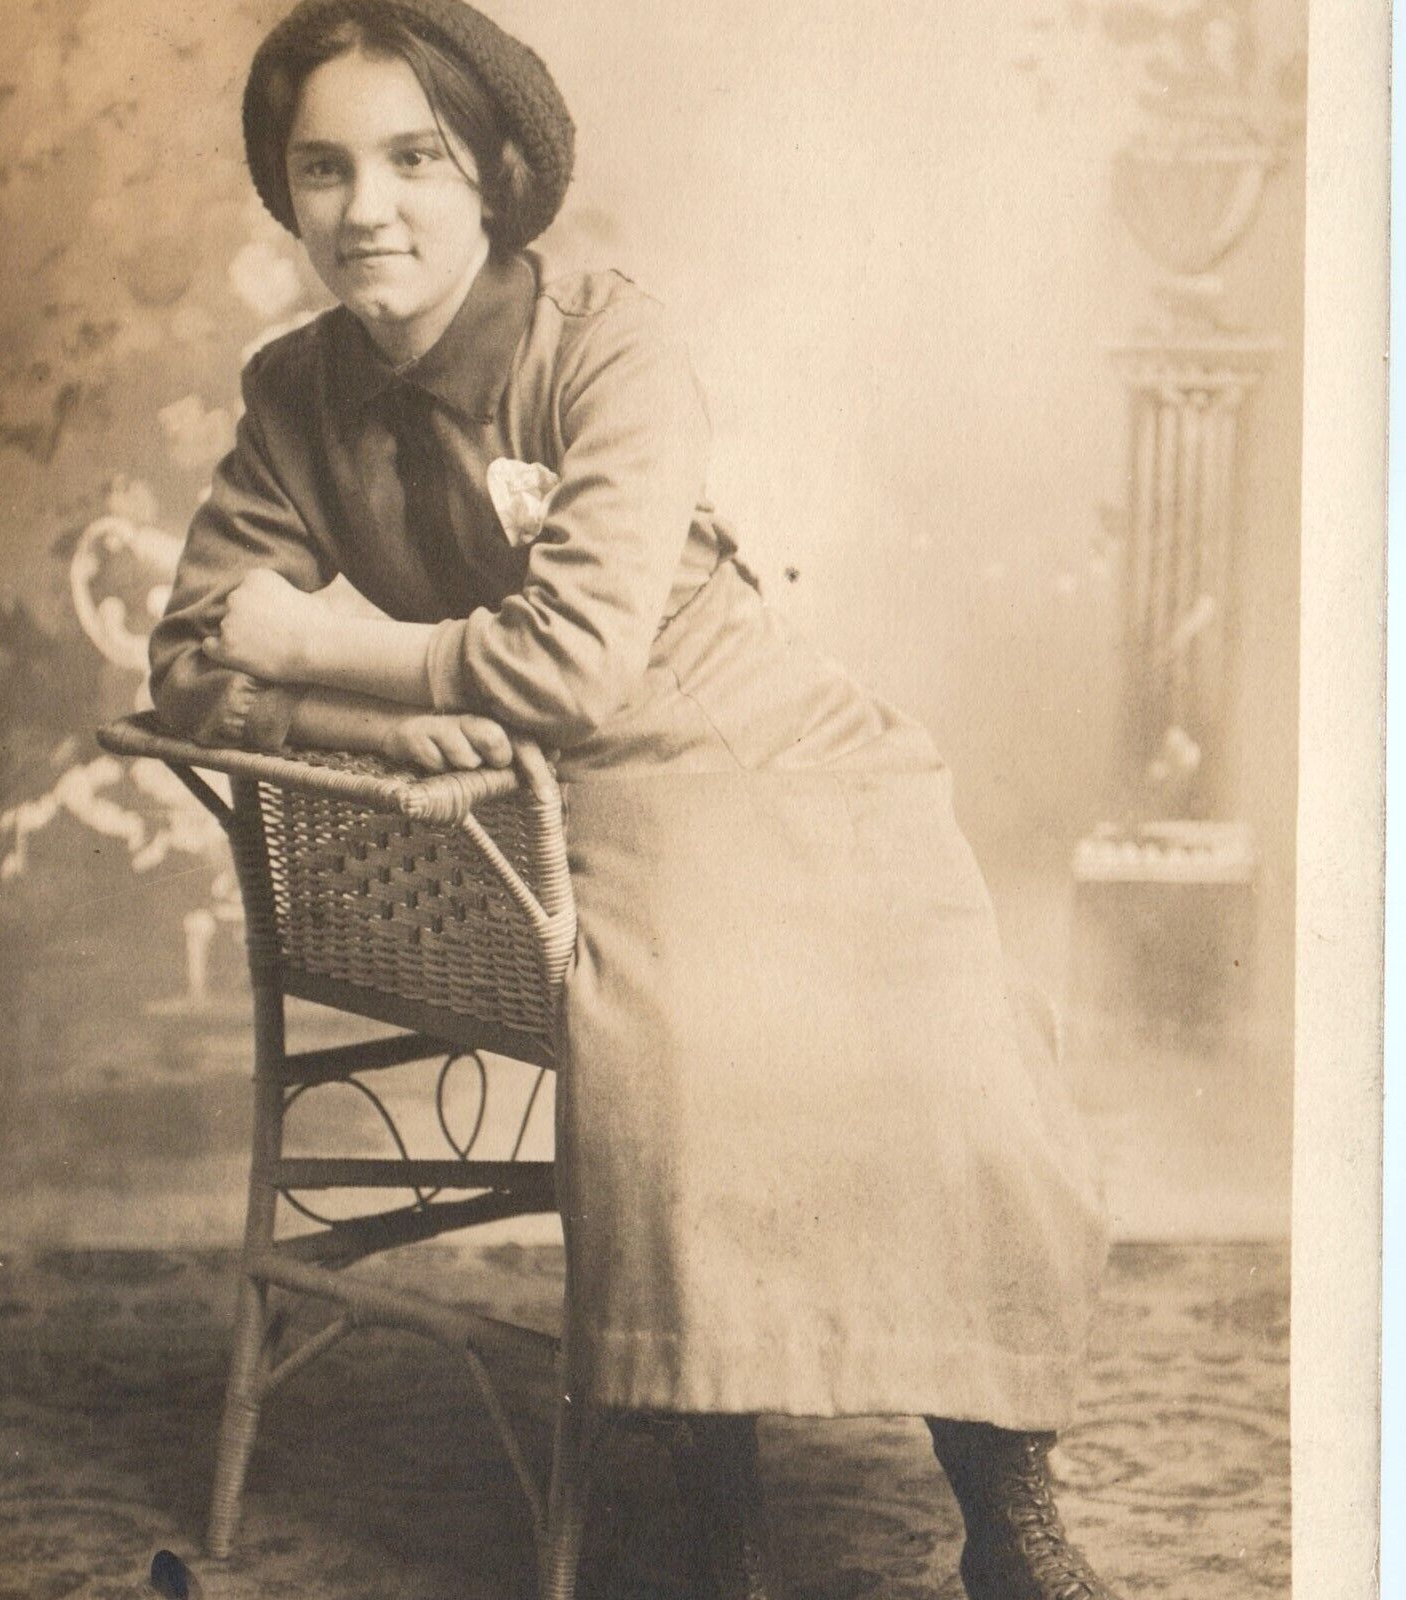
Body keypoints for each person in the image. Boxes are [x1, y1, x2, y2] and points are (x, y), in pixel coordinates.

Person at [149, 3, 1121, 1595]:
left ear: (496, 179)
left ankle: (1004, 1498)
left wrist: (327, 641)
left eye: (414, 159)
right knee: (685, 1044)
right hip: (545, 794)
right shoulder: (295, 397)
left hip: (750, 736)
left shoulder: (607, 343)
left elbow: (574, 665)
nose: (365, 208)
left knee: (939, 1028)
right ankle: (714, 1469)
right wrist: (388, 735)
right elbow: (193, 662)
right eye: (321, 169)